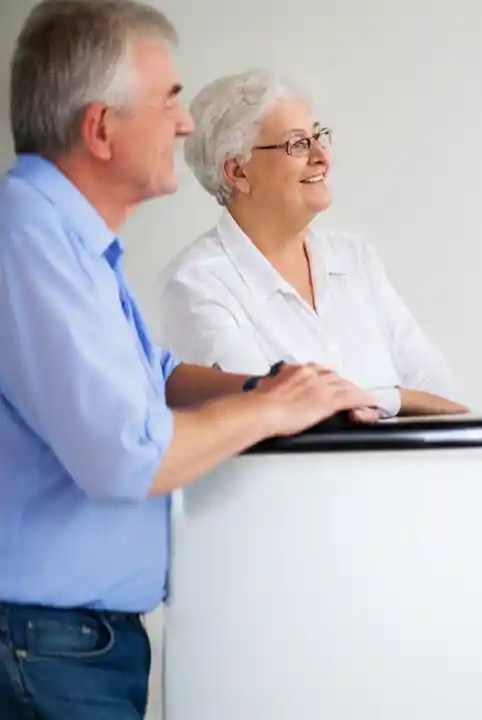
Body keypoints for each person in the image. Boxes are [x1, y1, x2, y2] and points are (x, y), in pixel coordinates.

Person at [0, 2, 379, 717]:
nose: (185, 124)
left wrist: (278, 382)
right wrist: (271, 406)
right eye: (169, 100)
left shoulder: (68, 245)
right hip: (42, 649)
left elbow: (154, 375)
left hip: (71, 645)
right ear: (100, 127)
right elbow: (127, 455)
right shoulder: (30, 239)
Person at [156, 69, 466, 418]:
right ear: (238, 172)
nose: (322, 156)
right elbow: (269, 421)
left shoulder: (354, 258)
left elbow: (447, 402)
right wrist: (394, 400)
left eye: (319, 137)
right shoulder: (196, 284)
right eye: (299, 144)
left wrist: (385, 398)